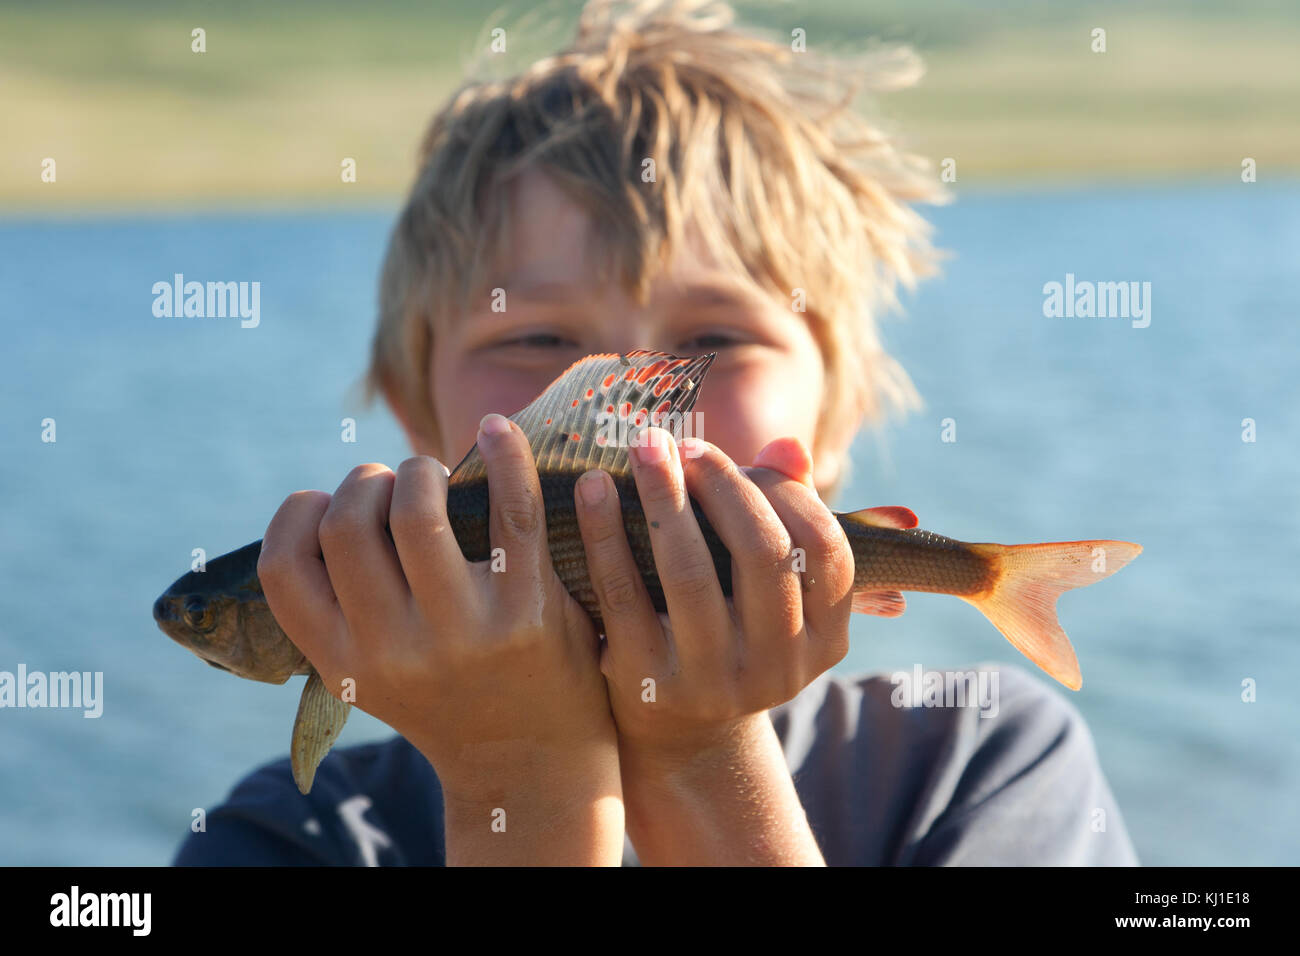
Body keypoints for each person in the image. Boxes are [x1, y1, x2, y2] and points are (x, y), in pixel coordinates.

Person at [174, 0, 1137, 866]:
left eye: (712, 340)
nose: (637, 410)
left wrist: (703, 751)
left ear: (837, 418)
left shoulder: (981, 759)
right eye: (539, 337)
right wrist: (520, 777)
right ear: (411, 417)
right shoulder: (288, 840)